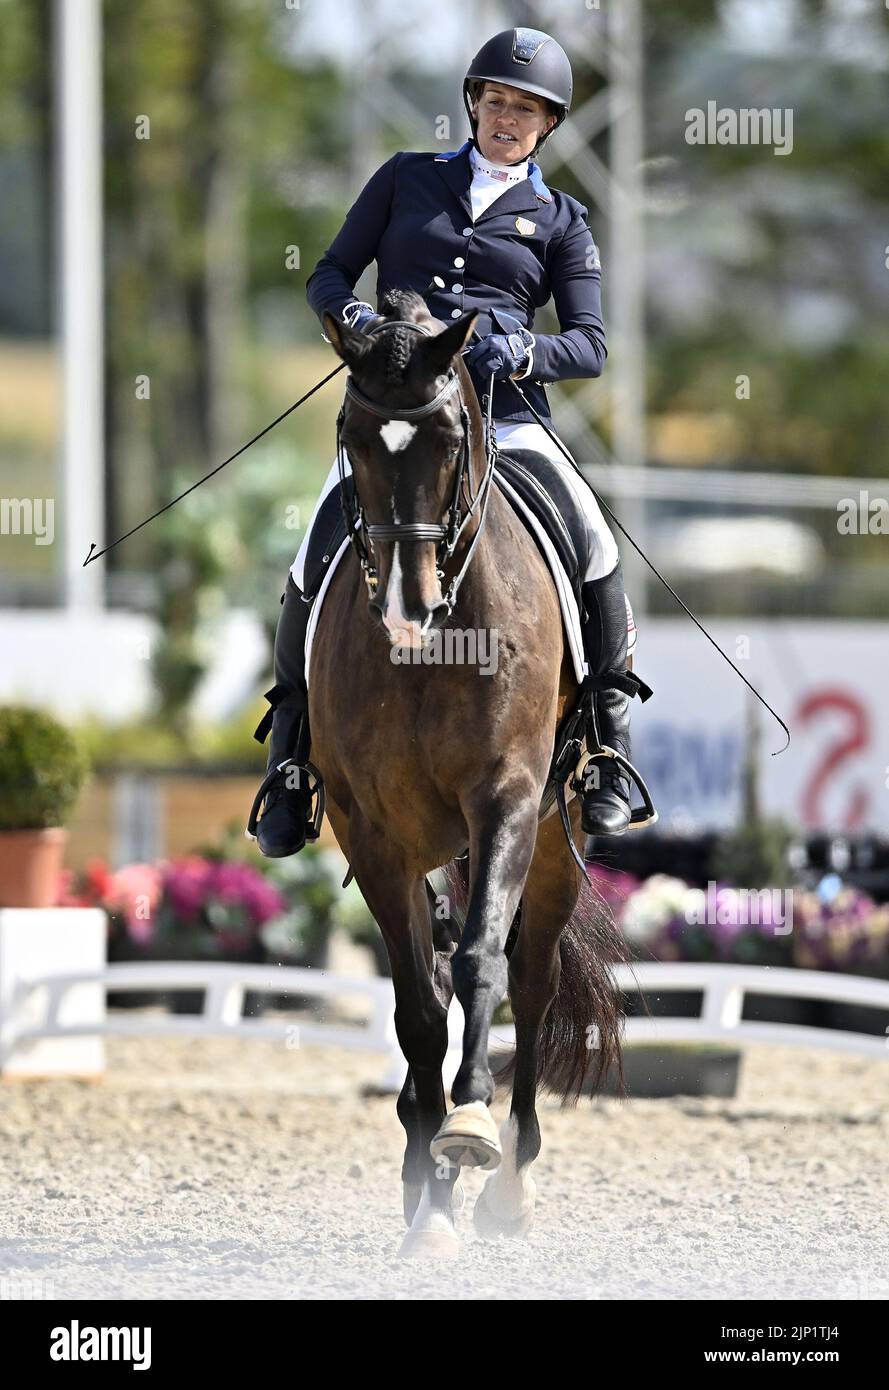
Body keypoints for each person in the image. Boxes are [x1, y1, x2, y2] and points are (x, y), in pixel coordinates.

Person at [252, 26, 648, 858]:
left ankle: (606, 749)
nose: (507, 116)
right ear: (472, 104)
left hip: (503, 420)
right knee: (315, 548)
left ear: (547, 125)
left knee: (592, 539)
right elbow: (329, 272)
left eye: (526, 108)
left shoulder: (562, 220)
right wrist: (358, 322)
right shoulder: (406, 179)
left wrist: (522, 348)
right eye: (496, 100)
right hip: (399, 412)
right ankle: (290, 758)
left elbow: (590, 344)